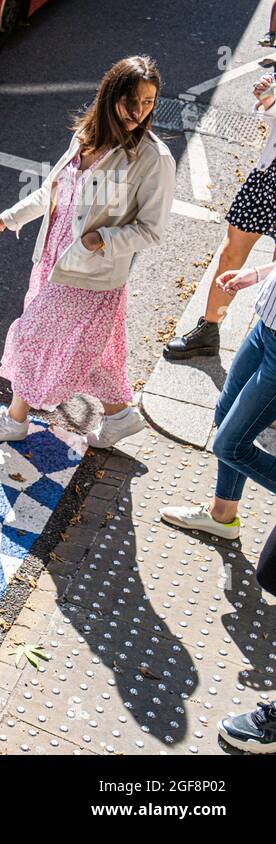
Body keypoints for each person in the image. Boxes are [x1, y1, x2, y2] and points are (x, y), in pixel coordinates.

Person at [0, 56, 174, 450]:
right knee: (98, 353)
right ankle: (120, 417)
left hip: (89, 274)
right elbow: (53, 193)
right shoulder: (85, 136)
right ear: (109, 95)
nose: (139, 111)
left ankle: (15, 419)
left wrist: (103, 241)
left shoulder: (151, 158)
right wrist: (6, 219)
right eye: (131, 100)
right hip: (52, 261)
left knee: (32, 337)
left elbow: (151, 229)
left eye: (148, 102)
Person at [160, 259, 276, 754]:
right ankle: (222, 516)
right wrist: (258, 276)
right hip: (267, 324)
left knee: (230, 444)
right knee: (225, 412)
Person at [164, 74, 276, 360]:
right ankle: (209, 330)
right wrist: (267, 97)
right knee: (231, 251)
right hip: (269, 172)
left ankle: (268, 335)